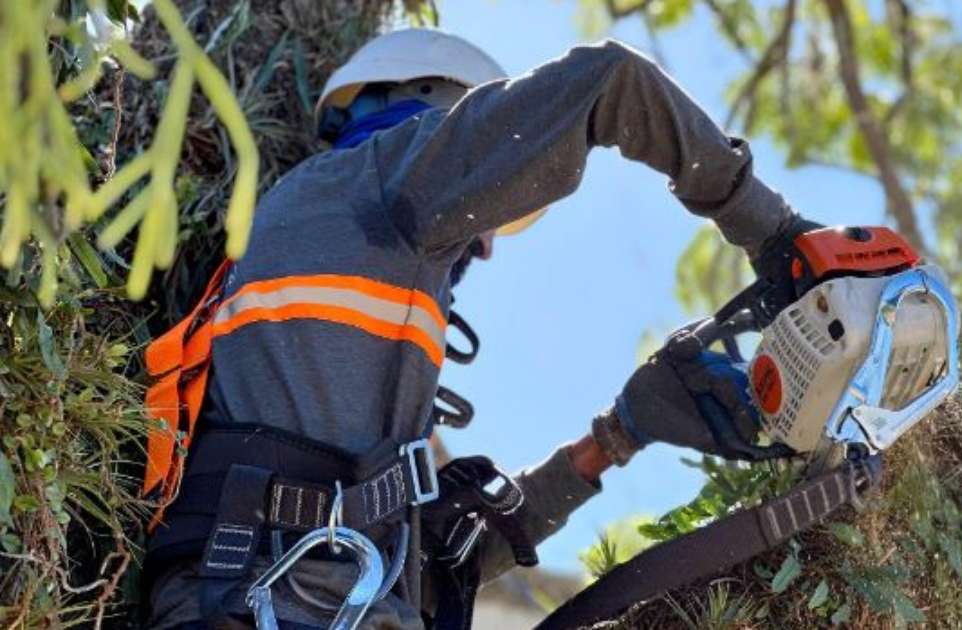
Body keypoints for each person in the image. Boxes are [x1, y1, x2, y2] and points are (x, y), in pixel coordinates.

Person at [143, 28, 820, 629]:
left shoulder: (341, 300)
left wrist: (616, 438)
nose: (488, 244)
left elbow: (439, 564)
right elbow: (609, 83)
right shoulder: (382, 181)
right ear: (443, 113)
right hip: (275, 606)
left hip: (281, 600)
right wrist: (774, 231)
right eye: (493, 214)